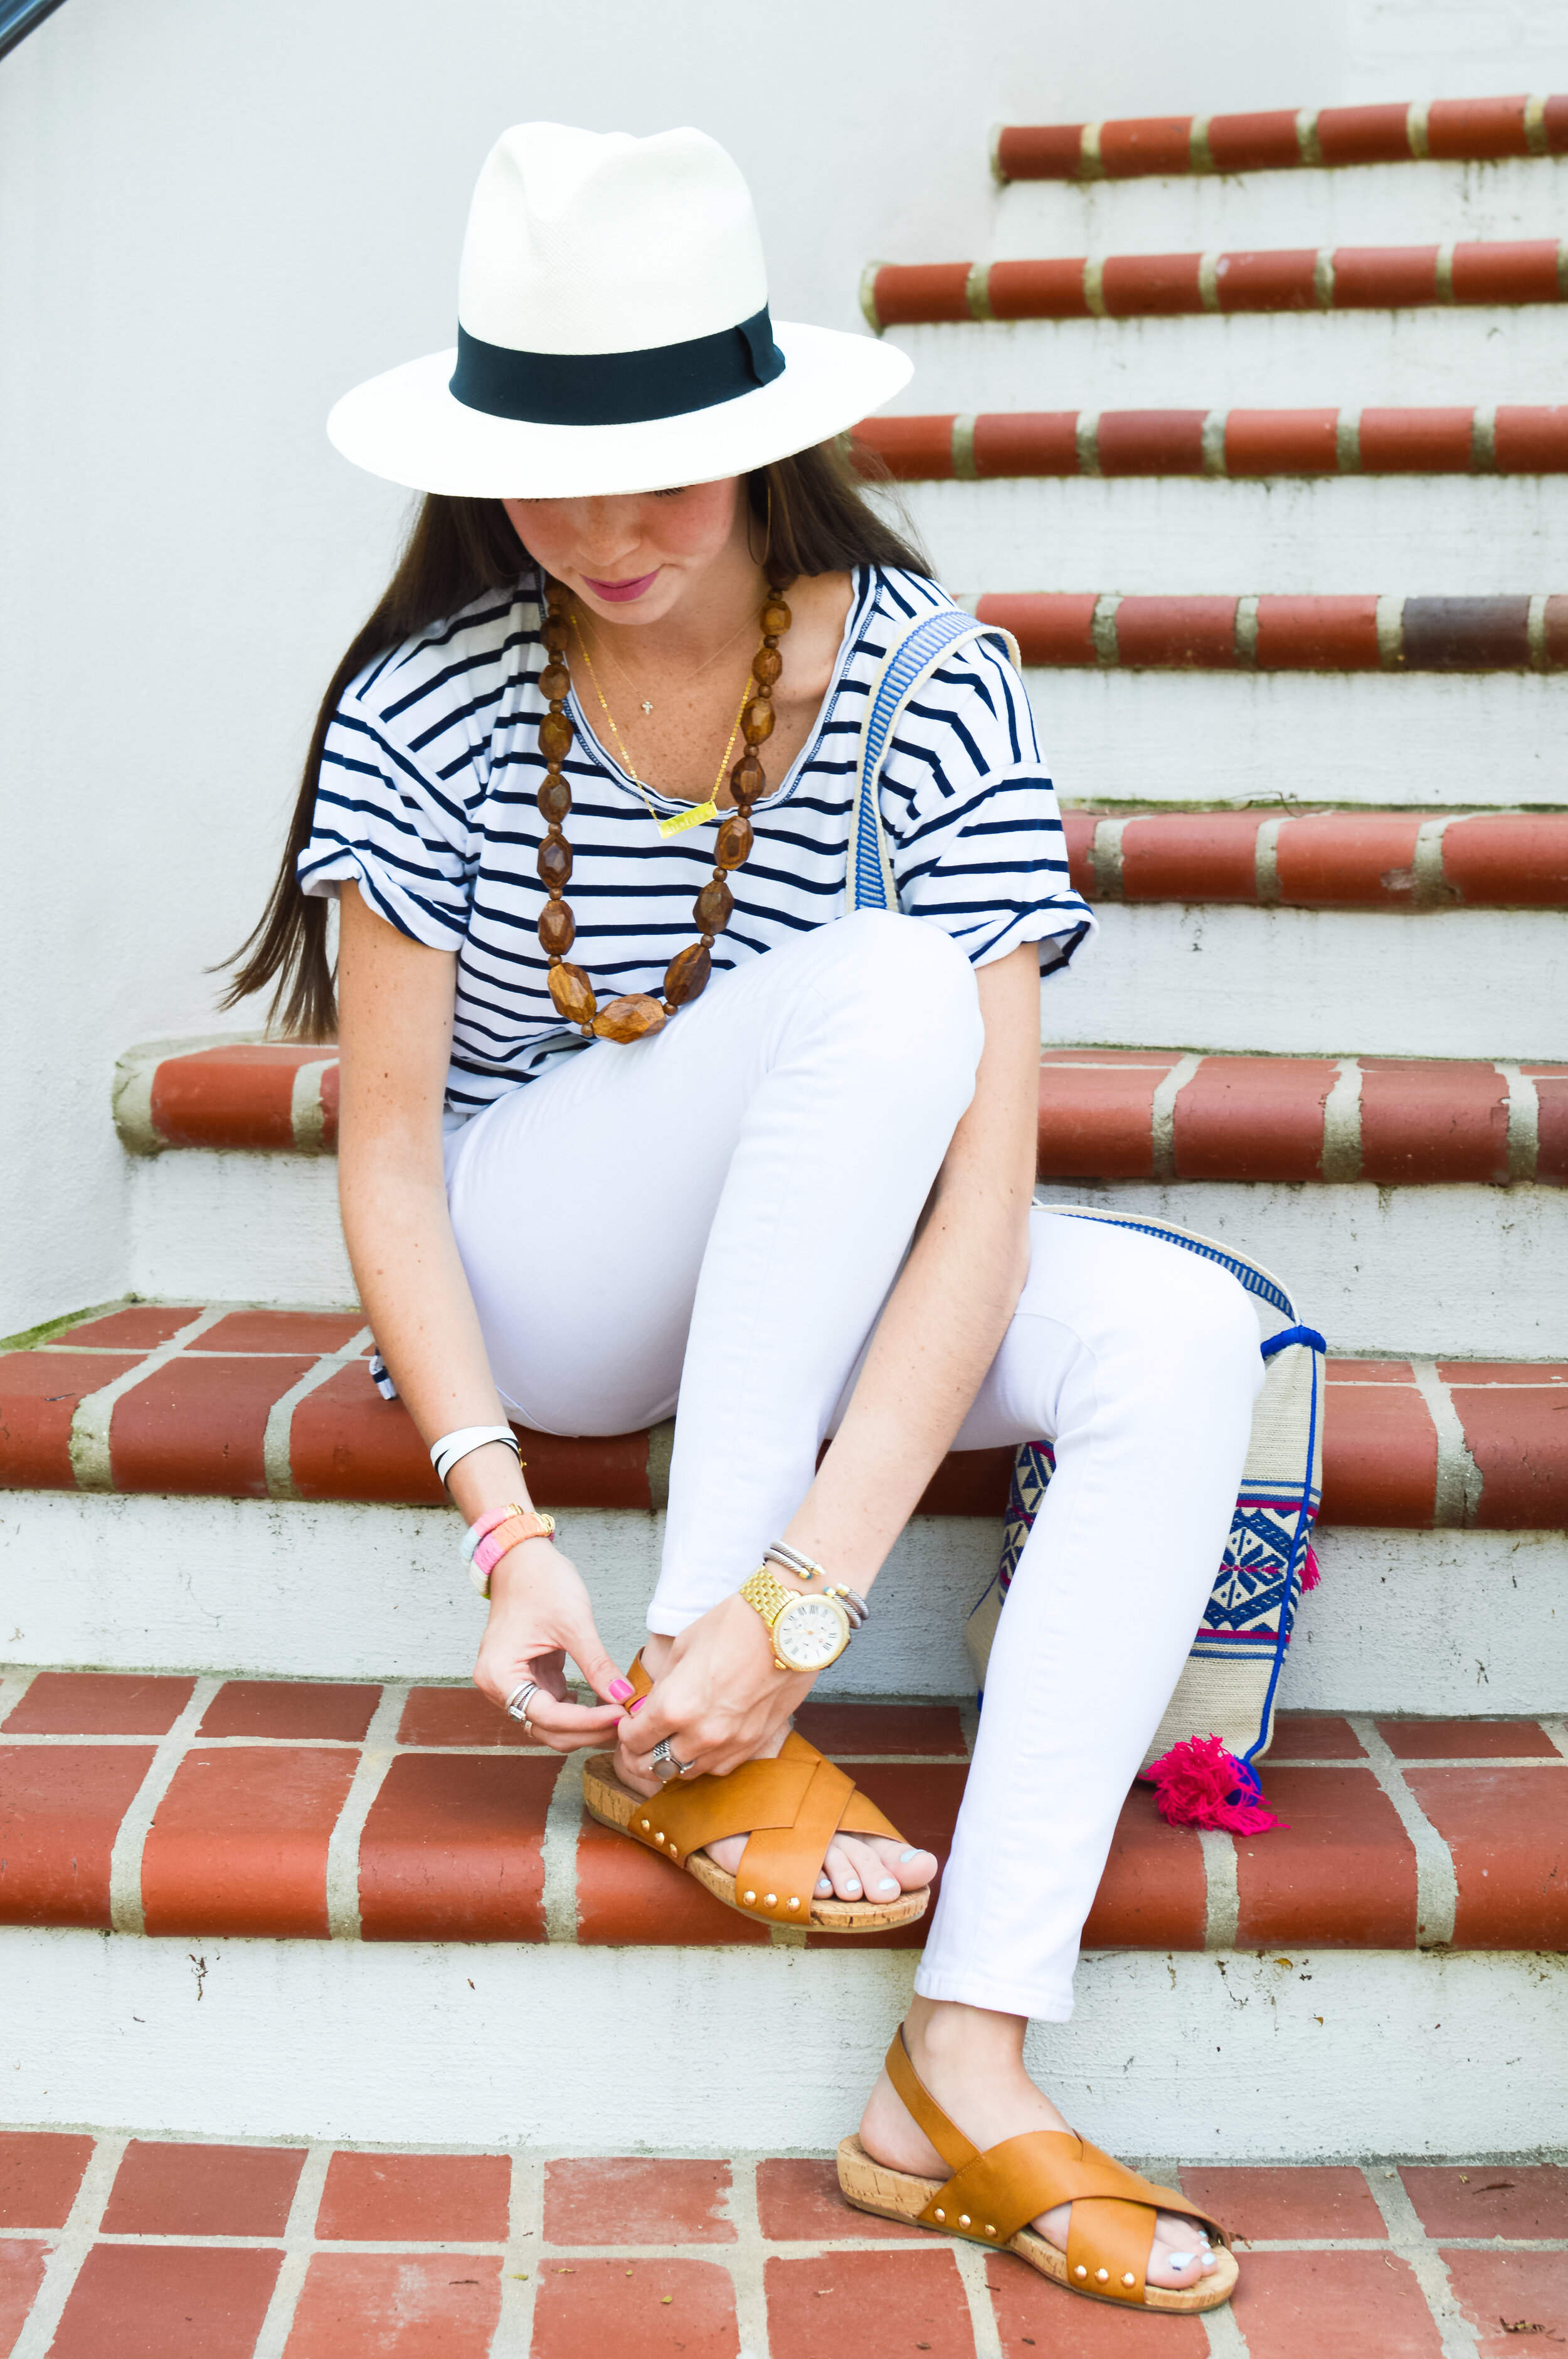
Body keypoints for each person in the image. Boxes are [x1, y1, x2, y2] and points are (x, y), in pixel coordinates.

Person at [228, 120, 1259, 2315]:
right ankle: (696, 1755)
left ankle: (960, 2061)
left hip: (838, 1233)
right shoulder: (419, 703)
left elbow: (984, 1185)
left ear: (765, 441)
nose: (602, 530)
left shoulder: (930, 677)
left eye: (663, 470)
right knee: (881, 981)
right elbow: (391, 1153)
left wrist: (811, 1594)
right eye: (548, 473)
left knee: (1171, 1341)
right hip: (560, 1271)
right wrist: (506, 1522)